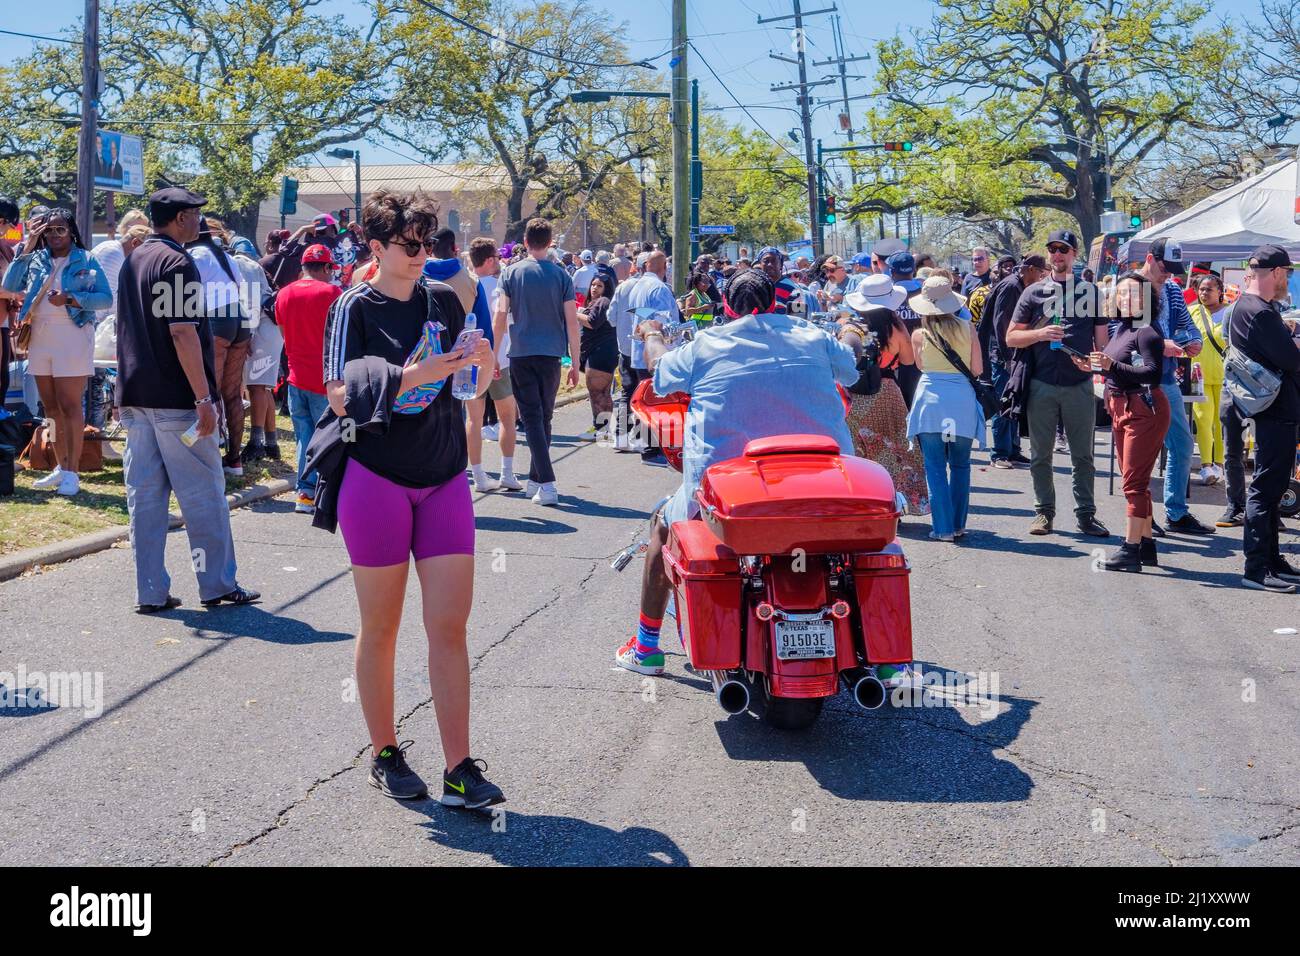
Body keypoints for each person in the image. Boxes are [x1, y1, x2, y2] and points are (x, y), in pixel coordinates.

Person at [319, 186, 504, 804]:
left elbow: (470, 388)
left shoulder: (443, 300)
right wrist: (415, 374)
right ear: (375, 247)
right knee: (383, 627)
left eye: (427, 242)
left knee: (449, 626)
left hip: (446, 472)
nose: (423, 253)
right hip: (376, 479)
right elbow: (340, 395)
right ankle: (386, 751)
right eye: (409, 244)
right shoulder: (354, 305)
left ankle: (459, 767)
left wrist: (480, 362)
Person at [613, 269, 873, 678]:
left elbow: (659, 371)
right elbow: (851, 364)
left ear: (727, 309)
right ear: (775, 303)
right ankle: (884, 657)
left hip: (729, 492)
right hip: (826, 484)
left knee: (662, 527)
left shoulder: (707, 344)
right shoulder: (813, 336)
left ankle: (647, 648)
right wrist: (853, 328)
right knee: (863, 552)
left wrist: (650, 332)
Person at [114, 187, 258, 612]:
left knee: (145, 497)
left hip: (136, 396)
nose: (200, 222)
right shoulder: (177, 262)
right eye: (195, 214)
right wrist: (202, 396)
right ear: (179, 219)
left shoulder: (134, 258)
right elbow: (182, 331)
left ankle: (151, 590)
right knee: (202, 494)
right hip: (177, 399)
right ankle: (216, 584)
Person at [1004, 230, 1109, 537]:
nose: (1057, 254)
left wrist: (1091, 363)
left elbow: (1102, 346)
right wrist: (1039, 334)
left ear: (1074, 254)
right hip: (1041, 384)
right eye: (1053, 249)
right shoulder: (1033, 293)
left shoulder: (1091, 292)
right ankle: (1043, 513)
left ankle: (1086, 514)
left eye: (1063, 249)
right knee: (1040, 454)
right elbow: (1011, 337)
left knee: (1083, 456)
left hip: (1079, 384)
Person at [1, 207, 112, 496]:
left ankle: (72, 472)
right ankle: (61, 467)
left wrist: (72, 299)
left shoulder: (86, 258)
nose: (53, 235)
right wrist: (27, 245)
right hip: (40, 335)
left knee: (70, 405)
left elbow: (105, 298)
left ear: (71, 231)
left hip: (73, 335)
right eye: (48, 230)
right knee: (50, 407)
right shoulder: (35, 258)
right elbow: (9, 285)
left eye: (60, 229)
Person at [494, 217, 580, 506]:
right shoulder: (562, 276)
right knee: (543, 417)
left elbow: (500, 317)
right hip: (552, 354)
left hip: (520, 352)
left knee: (532, 418)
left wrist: (494, 354)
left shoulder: (510, 274)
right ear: (550, 241)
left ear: (526, 242)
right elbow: (572, 323)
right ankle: (536, 480)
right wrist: (576, 362)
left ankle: (547, 481)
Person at [1229, 246, 1300, 592]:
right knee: (1265, 489)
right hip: (1276, 411)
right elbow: (1291, 360)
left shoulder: (1248, 307)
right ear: (1274, 273)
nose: (1288, 278)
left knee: (1270, 489)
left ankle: (1271, 560)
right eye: (1286, 272)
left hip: (1269, 409)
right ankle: (1256, 568)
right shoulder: (1260, 312)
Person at [1132, 238, 1214, 536]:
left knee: (1181, 445)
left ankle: (1176, 512)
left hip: (1166, 379)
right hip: (1139, 382)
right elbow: (1124, 338)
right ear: (1151, 259)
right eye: (1166, 268)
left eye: (1173, 269)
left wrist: (1192, 341)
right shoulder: (1133, 288)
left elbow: (1187, 326)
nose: (1169, 274)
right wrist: (1159, 345)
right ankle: (1142, 514)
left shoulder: (1172, 289)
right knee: (1144, 452)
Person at [1095, 273, 1169, 572]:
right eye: (1121, 294)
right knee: (1135, 482)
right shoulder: (1122, 328)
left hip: (1143, 409)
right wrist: (1094, 366)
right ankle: (1146, 545)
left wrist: (1111, 364)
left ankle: (1130, 549)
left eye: (1133, 295)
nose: (1125, 300)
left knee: (1133, 484)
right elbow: (1120, 368)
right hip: (1122, 406)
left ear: (1146, 300)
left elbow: (1151, 373)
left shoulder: (1146, 331)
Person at [906, 276, 985, 540]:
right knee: (961, 465)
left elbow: (920, 367)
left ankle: (943, 529)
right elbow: (977, 369)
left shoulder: (919, 335)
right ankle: (959, 524)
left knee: (935, 466)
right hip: (961, 402)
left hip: (930, 403)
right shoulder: (968, 328)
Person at [840, 287, 930, 516]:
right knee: (894, 449)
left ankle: (865, 502)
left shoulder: (852, 328)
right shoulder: (896, 328)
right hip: (889, 392)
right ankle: (895, 503)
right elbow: (909, 360)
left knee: (861, 450)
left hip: (858, 396)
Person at [275, 243, 342, 513]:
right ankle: (322, 491)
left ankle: (304, 492)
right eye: (330, 269)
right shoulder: (333, 292)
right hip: (324, 377)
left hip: (295, 376)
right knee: (327, 436)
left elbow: (283, 333)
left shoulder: (284, 294)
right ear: (326, 267)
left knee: (304, 435)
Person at [187, 217, 251, 477]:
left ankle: (210, 460)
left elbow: (190, 294)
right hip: (240, 322)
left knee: (209, 391)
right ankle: (234, 460)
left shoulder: (195, 255)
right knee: (233, 394)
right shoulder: (226, 257)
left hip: (216, 320)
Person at [463, 237, 521, 491]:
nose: (500, 262)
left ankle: (478, 475)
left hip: (471, 358)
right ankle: (507, 472)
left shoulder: (465, 285)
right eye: (497, 258)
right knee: (507, 416)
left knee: (474, 419)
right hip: (500, 358)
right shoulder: (501, 287)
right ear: (488, 260)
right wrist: (496, 355)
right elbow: (503, 321)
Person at [982, 254, 1046, 468]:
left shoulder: (1022, 287)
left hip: (1015, 353)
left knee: (1014, 402)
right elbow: (1001, 326)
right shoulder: (1010, 287)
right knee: (1004, 402)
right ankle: (999, 453)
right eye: (1040, 272)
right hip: (1003, 355)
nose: (1041, 277)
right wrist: (1009, 358)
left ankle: (1013, 449)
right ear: (1029, 269)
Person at [624, 250, 678, 465]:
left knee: (645, 400)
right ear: (664, 268)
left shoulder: (637, 286)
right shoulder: (659, 289)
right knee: (657, 403)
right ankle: (651, 450)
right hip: (655, 353)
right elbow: (666, 324)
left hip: (639, 350)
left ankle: (645, 444)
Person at [1188, 272, 1228, 487]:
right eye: (1201, 289)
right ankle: (1205, 466)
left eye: (1209, 289)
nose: (1204, 293)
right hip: (1198, 377)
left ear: (1219, 291)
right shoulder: (1192, 311)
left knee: (1220, 423)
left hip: (1225, 377)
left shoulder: (1230, 312)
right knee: (1202, 419)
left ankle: (1219, 464)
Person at [577, 273, 618, 442]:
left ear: (606, 288)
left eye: (599, 285)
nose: (594, 288)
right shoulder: (600, 302)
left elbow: (592, 322)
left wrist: (575, 312)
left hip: (600, 353)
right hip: (603, 352)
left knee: (597, 393)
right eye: (593, 284)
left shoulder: (603, 301)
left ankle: (600, 429)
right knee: (603, 393)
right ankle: (604, 428)